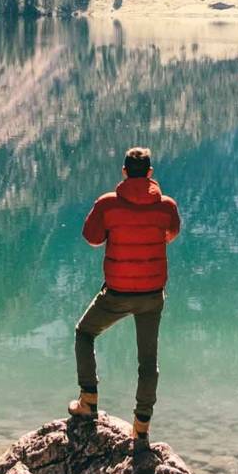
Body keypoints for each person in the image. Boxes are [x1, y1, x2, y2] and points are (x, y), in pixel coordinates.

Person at [69, 146, 181, 446]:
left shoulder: (108, 205)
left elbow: (91, 238)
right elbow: (170, 234)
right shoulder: (166, 206)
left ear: (123, 172)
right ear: (150, 173)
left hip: (116, 294)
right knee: (147, 362)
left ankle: (88, 400)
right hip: (152, 295)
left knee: (84, 333)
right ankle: (141, 428)